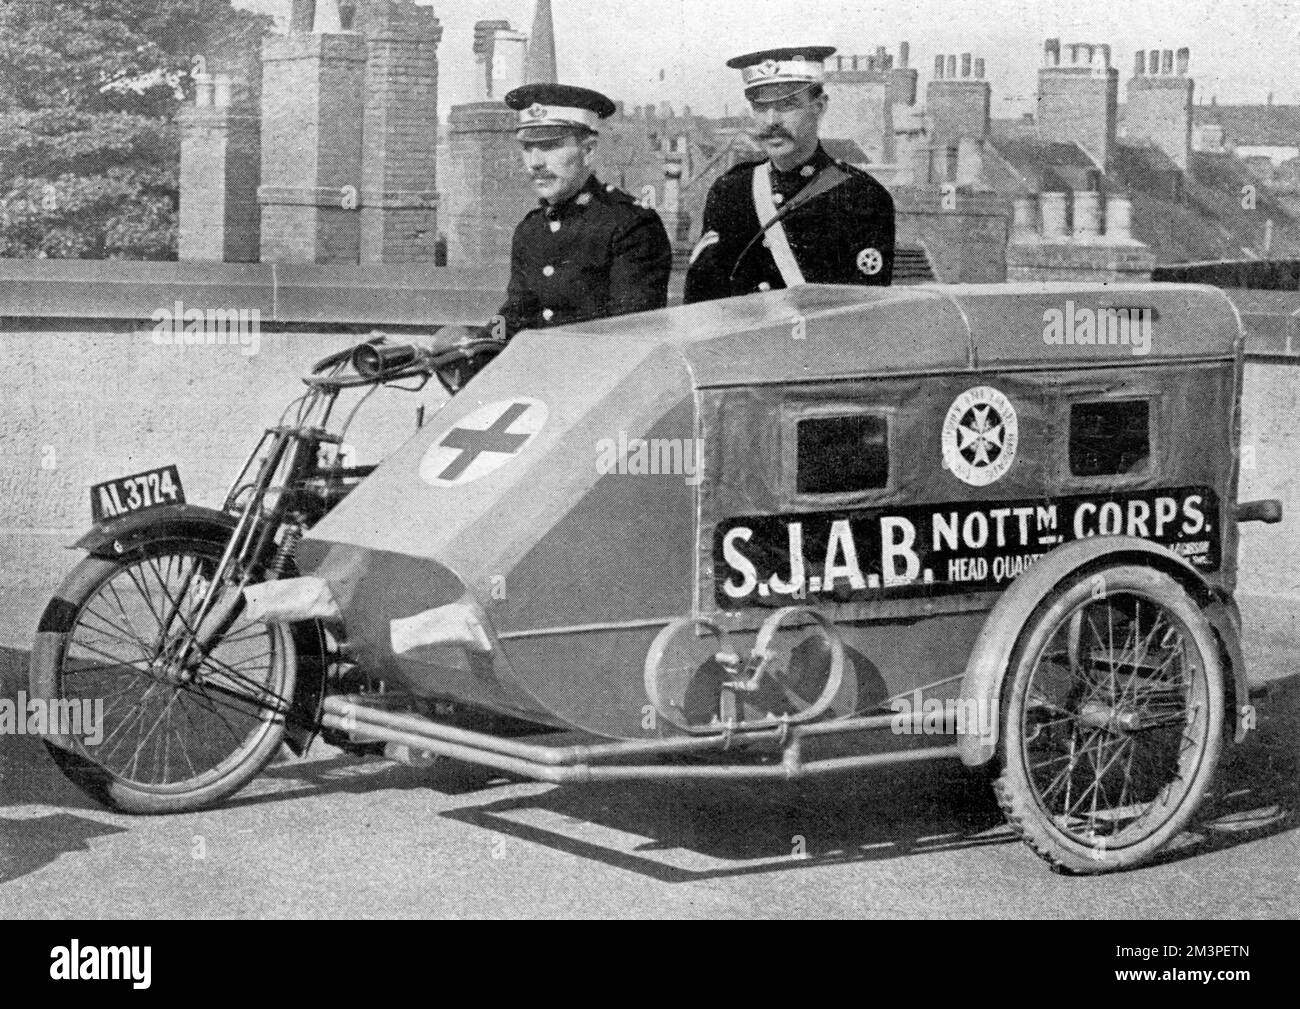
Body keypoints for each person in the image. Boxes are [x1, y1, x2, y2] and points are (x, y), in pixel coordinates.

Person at [684, 46, 895, 303]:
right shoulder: (730, 190)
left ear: (819, 106)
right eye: (761, 107)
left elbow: (860, 316)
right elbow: (702, 299)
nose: (772, 120)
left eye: (787, 105)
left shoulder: (861, 197)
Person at [495, 83, 673, 339]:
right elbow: (513, 314)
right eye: (527, 148)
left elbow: (629, 331)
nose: (535, 163)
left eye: (550, 146)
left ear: (588, 151)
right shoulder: (531, 230)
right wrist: (482, 341)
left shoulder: (630, 225)